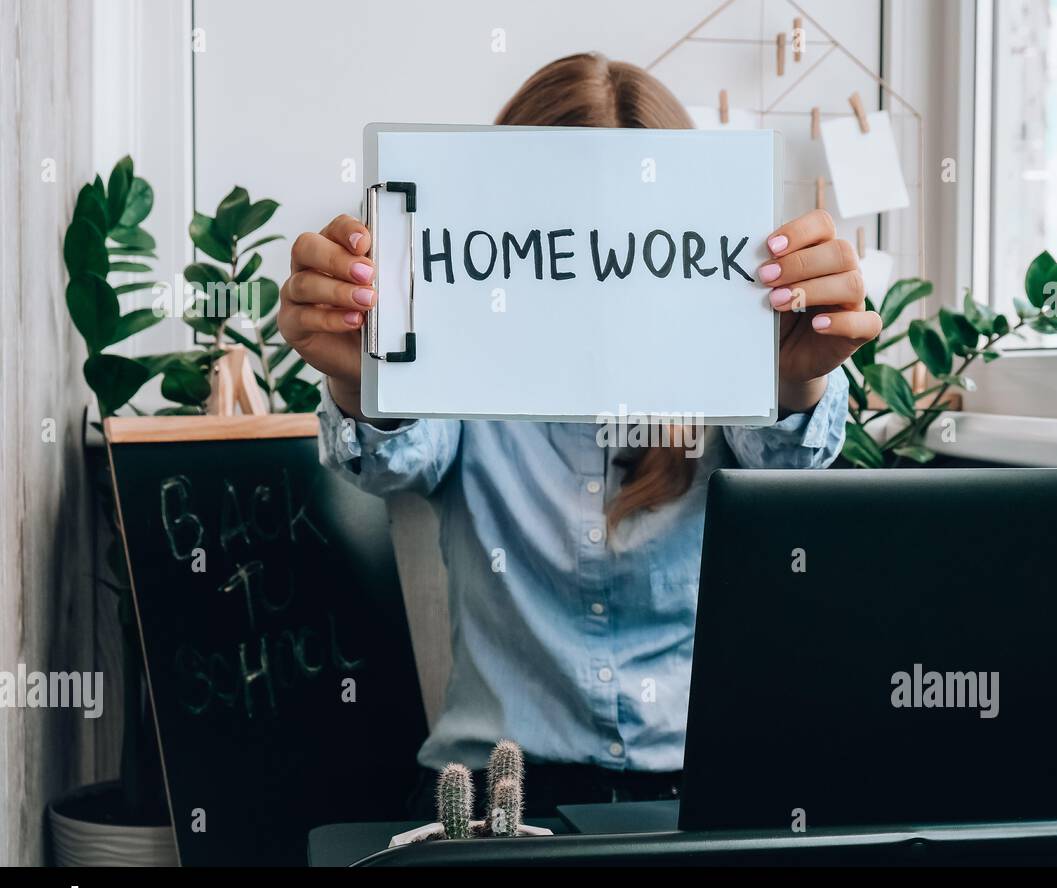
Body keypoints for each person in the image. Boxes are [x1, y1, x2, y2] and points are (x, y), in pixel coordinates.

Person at [278, 53, 881, 819]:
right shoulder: (464, 363)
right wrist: (365, 381)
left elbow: (788, 461)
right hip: (492, 794)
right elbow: (394, 453)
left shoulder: (725, 362)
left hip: (699, 790)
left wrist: (794, 379)